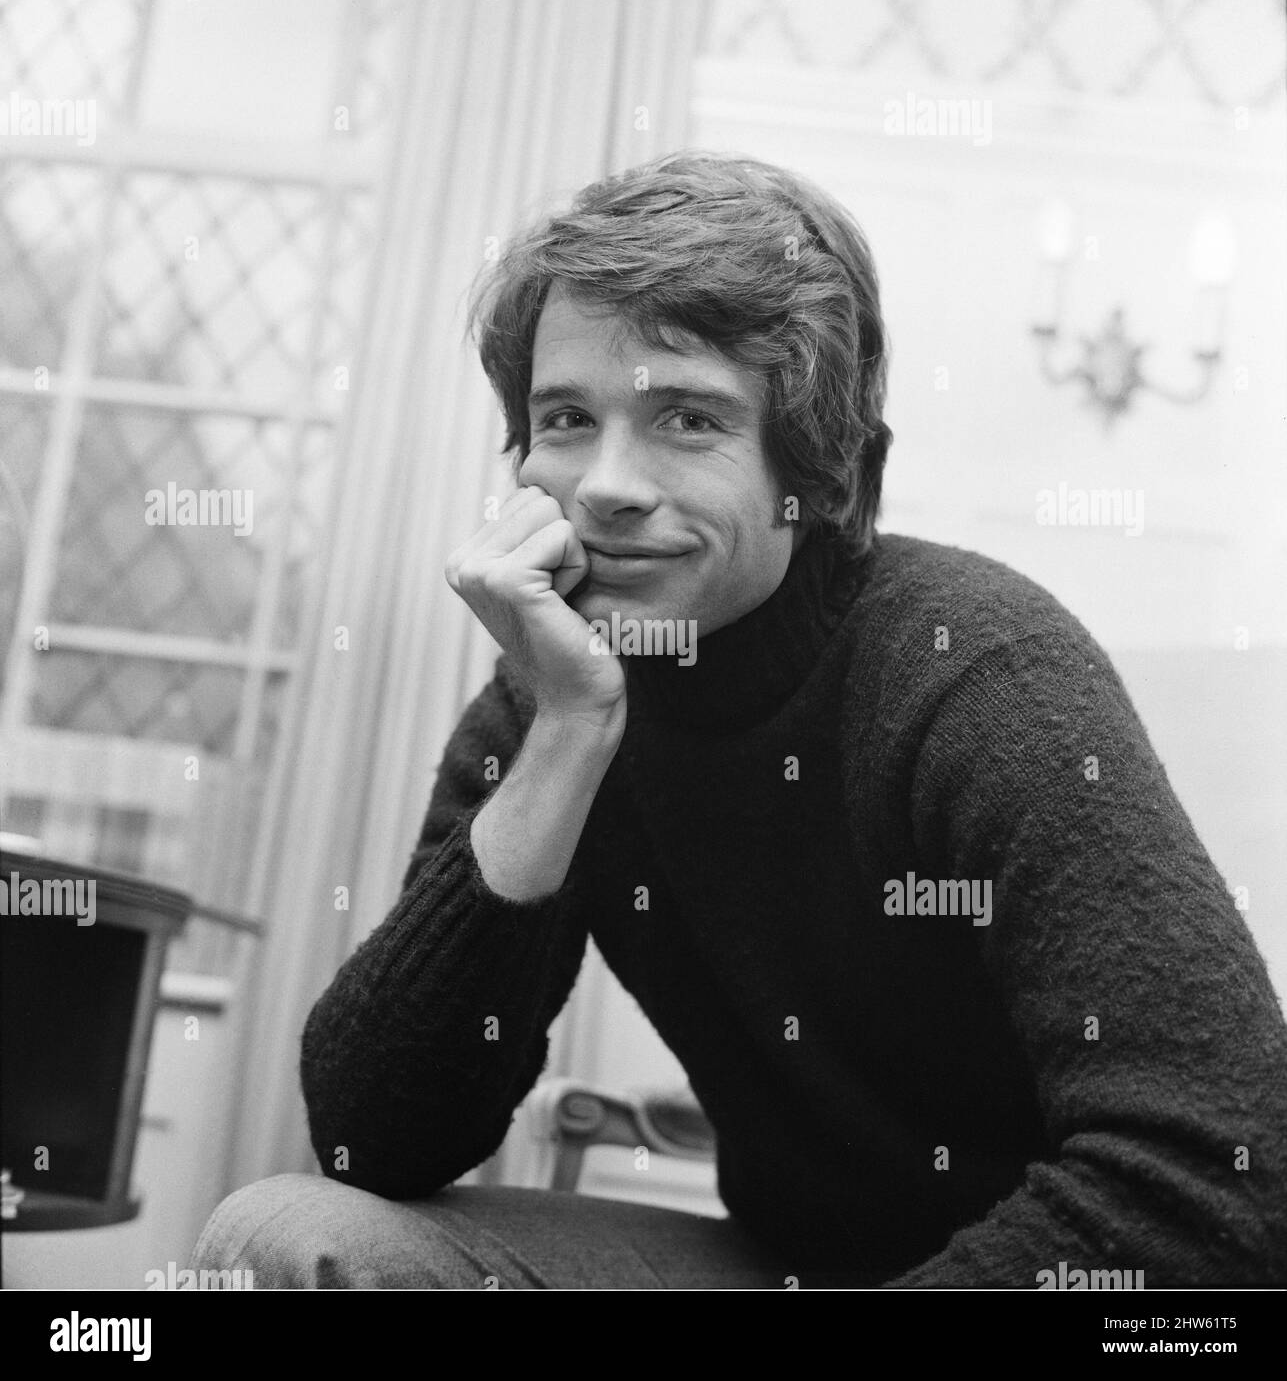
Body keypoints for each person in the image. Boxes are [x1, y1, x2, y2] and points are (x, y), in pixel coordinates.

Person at [193, 151, 1287, 1289]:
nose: (606, 483)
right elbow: (375, 1138)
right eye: (566, 416)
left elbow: (1221, 1173)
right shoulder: (550, 685)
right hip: (786, 1263)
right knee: (290, 1237)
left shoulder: (979, 669)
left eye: (687, 419)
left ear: (824, 474)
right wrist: (565, 737)